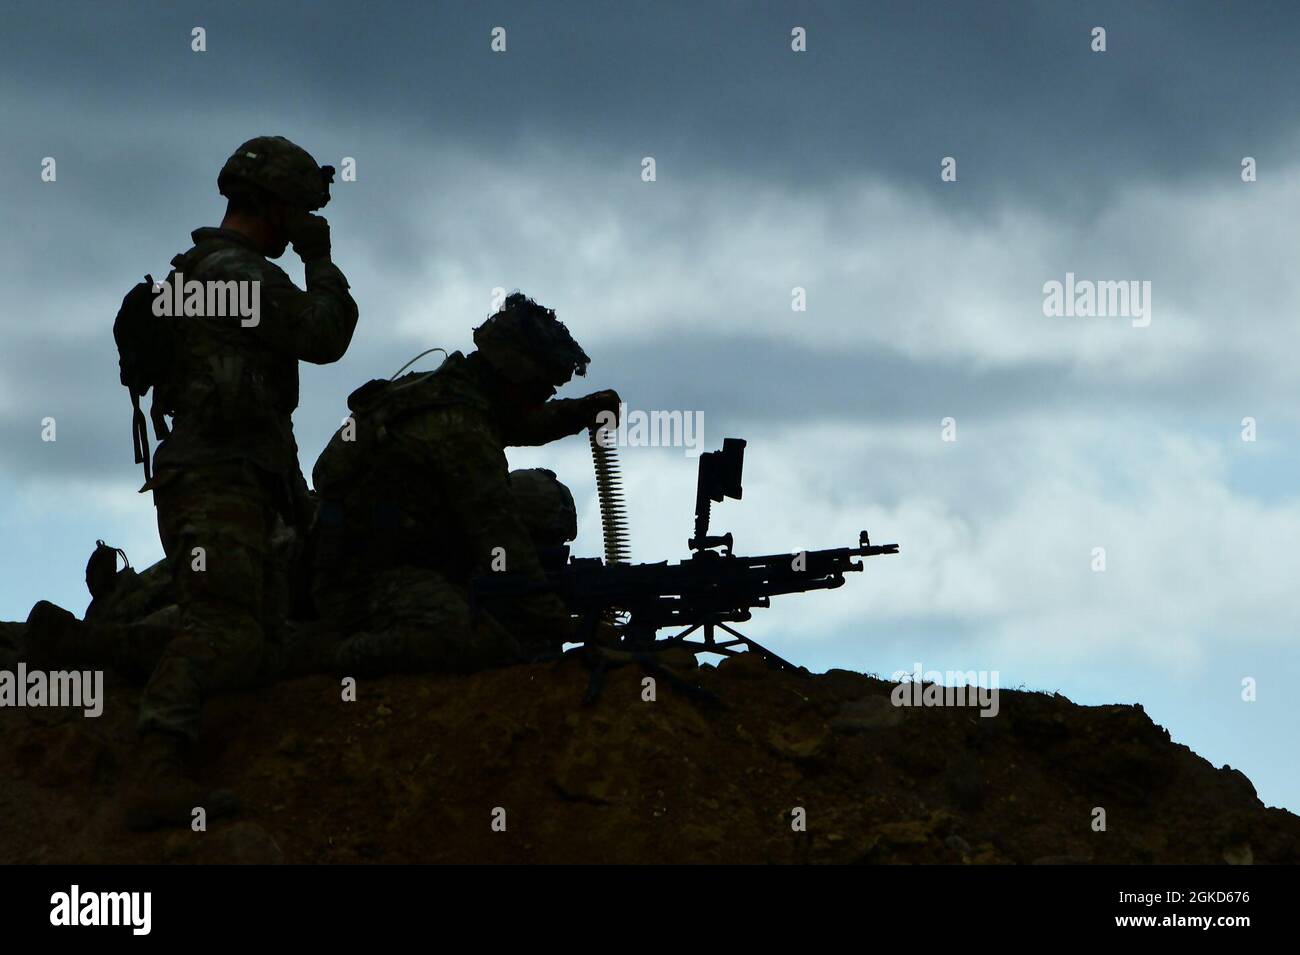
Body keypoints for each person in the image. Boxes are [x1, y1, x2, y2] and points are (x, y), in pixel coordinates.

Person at [124, 135, 359, 830]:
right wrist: (321, 260)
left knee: (251, 633)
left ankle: (101, 650)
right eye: (298, 210)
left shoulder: (207, 269)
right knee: (222, 624)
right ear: (276, 208)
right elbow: (325, 334)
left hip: (233, 473)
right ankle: (155, 766)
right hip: (216, 475)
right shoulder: (240, 276)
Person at [309, 292, 618, 676]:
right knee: (477, 642)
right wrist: (565, 624)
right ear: (516, 376)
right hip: (361, 578)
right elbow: (503, 544)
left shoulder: (447, 390)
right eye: (542, 388)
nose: (546, 396)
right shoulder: (461, 429)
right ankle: (313, 654)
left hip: (366, 558)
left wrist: (577, 413)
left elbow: (512, 422)